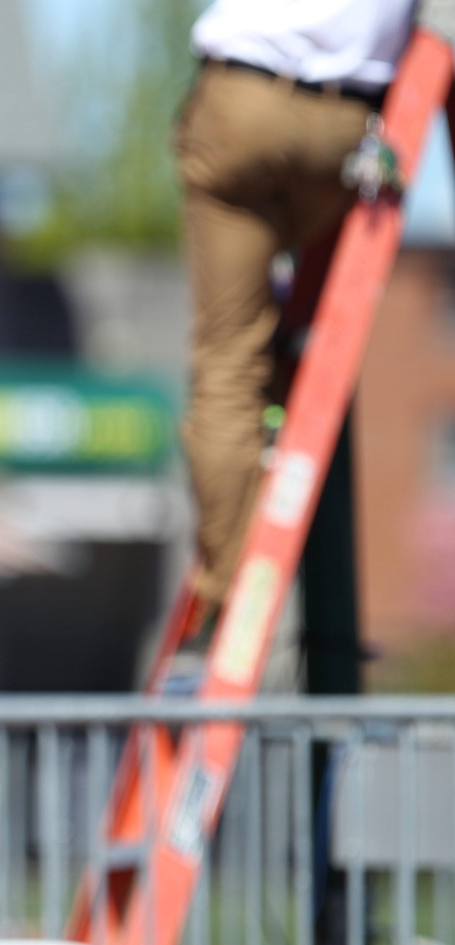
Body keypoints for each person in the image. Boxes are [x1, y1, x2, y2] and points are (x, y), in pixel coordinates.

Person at [174, 0, 417, 651]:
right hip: (349, 129)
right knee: (281, 342)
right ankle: (282, 361)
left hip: (244, 99)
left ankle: (226, 594)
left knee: (229, 365)